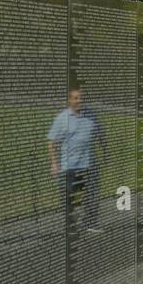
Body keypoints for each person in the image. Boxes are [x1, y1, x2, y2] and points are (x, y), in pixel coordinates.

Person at [47, 87, 106, 234]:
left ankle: (90, 223)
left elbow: (101, 135)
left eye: (81, 98)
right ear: (70, 100)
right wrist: (54, 164)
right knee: (67, 196)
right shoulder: (61, 118)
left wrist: (106, 153)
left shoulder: (91, 115)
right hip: (69, 166)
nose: (80, 101)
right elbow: (52, 143)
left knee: (92, 195)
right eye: (76, 98)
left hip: (89, 164)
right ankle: (70, 225)